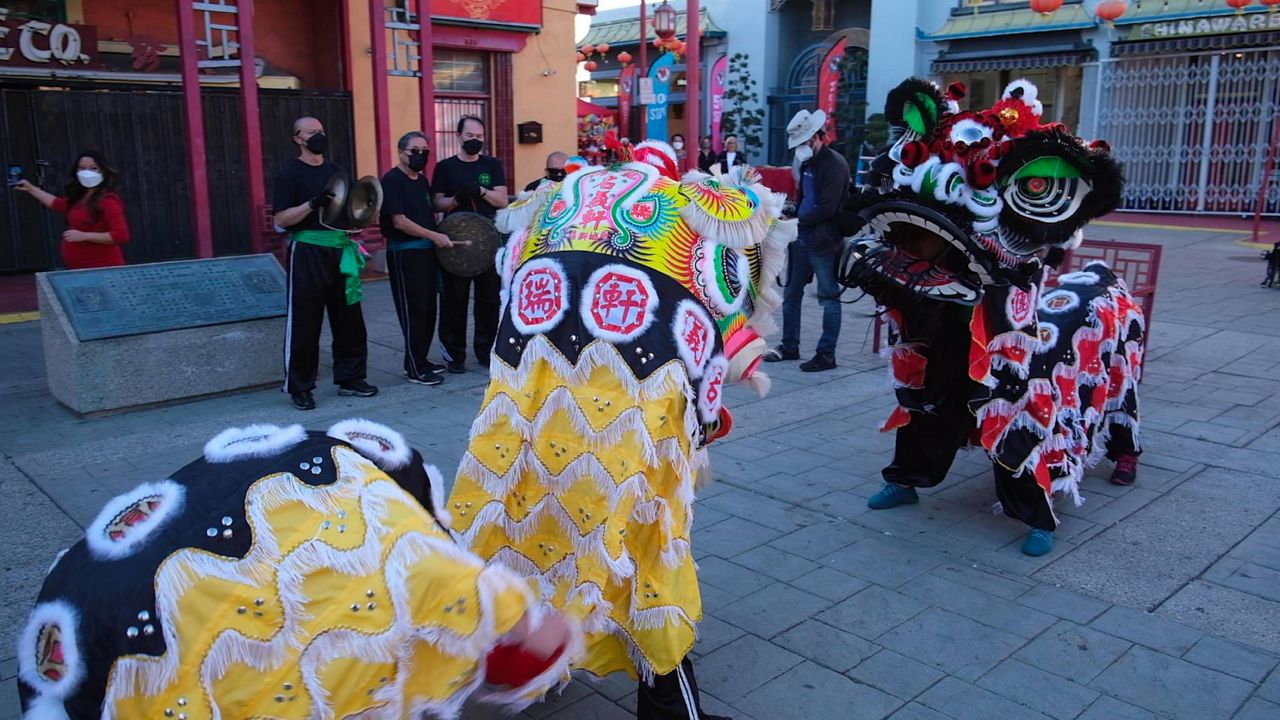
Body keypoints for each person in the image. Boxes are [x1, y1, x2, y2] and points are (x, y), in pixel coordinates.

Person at [448, 141, 794, 720]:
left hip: (528, 394)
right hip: (635, 398)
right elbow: (731, 330)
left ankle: (520, 652)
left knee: (523, 512)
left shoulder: (553, 204)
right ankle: (665, 701)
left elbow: (509, 300)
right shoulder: (695, 207)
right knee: (646, 537)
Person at [16, 418, 580, 719]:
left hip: (77, 606)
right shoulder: (416, 544)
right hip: (143, 634)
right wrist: (544, 633)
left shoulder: (322, 454)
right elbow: (507, 634)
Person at [272, 116, 378, 411]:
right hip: (307, 250)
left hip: (340, 249)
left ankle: (351, 378)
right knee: (305, 321)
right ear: (298, 138)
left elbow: (353, 211)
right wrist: (311, 203)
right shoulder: (289, 174)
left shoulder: (337, 173)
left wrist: (363, 219)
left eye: (321, 130)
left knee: (349, 319)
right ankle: (300, 387)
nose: (319, 135)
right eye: (311, 132)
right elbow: (281, 219)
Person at [764, 109, 850, 372]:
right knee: (791, 294)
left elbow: (827, 208)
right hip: (802, 237)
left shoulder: (835, 164)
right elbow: (805, 199)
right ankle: (790, 346)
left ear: (815, 137)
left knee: (829, 296)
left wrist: (798, 220)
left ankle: (826, 354)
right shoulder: (807, 163)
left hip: (824, 240)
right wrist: (791, 212)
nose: (800, 147)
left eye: (803, 142)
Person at [433, 115, 508, 374]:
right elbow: (437, 203)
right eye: (470, 136)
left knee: (488, 300)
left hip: (488, 241)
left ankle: (486, 350)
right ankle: (454, 354)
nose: (475, 140)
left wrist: (480, 191)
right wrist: (456, 199)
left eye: (479, 136)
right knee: (454, 300)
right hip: (455, 243)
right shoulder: (445, 167)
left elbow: (502, 200)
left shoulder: (492, 165)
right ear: (459, 136)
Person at [380, 131, 455, 387]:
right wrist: (434, 236)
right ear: (401, 152)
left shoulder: (422, 181)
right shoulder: (392, 180)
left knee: (427, 308)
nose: (420, 155)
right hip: (405, 253)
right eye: (415, 151)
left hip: (426, 253)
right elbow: (399, 221)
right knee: (413, 310)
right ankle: (414, 367)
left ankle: (420, 360)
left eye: (425, 151)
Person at [12, 151, 130, 269]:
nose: (87, 172)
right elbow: (57, 204)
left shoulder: (108, 201)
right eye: (82, 168)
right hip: (80, 269)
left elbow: (121, 235)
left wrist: (84, 236)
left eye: (93, 168)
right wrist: (31, 189)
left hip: (101, 268)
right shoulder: (82, 197)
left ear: (103, 171)